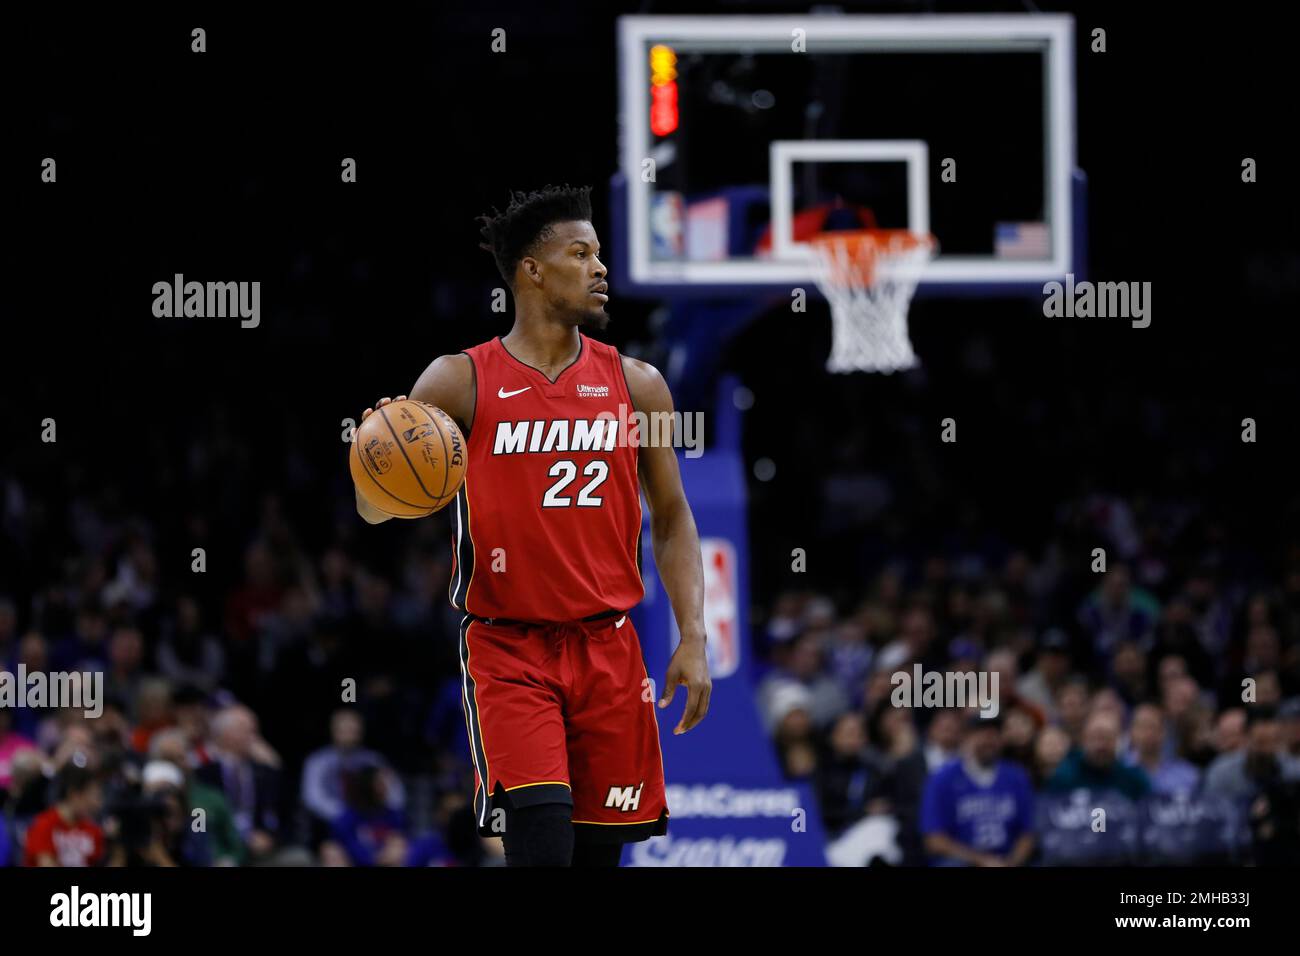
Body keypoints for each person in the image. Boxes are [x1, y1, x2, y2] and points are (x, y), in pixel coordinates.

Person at [354, 185, 710, 867]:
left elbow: (671, 516)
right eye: (581, 254)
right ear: (532, 270)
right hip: (510, 651)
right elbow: (377, 512)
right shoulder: (457, 381)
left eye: (599, 254)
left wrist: (693, 634)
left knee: (600, 859)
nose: (601, 268)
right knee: (543, 847)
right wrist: (381, 460)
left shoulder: (639, 385)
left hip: (609, 649)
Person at [920, 713, 1036, 867]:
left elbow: (1028, 833)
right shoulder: (942, 779)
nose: (989, 739)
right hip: (962, 861)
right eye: (982, 733)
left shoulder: (1016, 776)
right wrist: (981, 861)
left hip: (1007, 858)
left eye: (995, 734)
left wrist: (1011, 862)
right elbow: (934, 840)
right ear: (966, 737)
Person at [1047, 710, 1151, 800]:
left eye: (1107, 738)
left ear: (1117, 741)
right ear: (1084, 739)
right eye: (1096, 737)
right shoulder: (1065, 775)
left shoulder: (1132, 778)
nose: (1101, 745)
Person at [23, 764, 105, 867]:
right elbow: (45, 863)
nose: (97, 804)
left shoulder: (93, 831)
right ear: (74, 794)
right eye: (93, 796)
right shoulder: (44, 824)